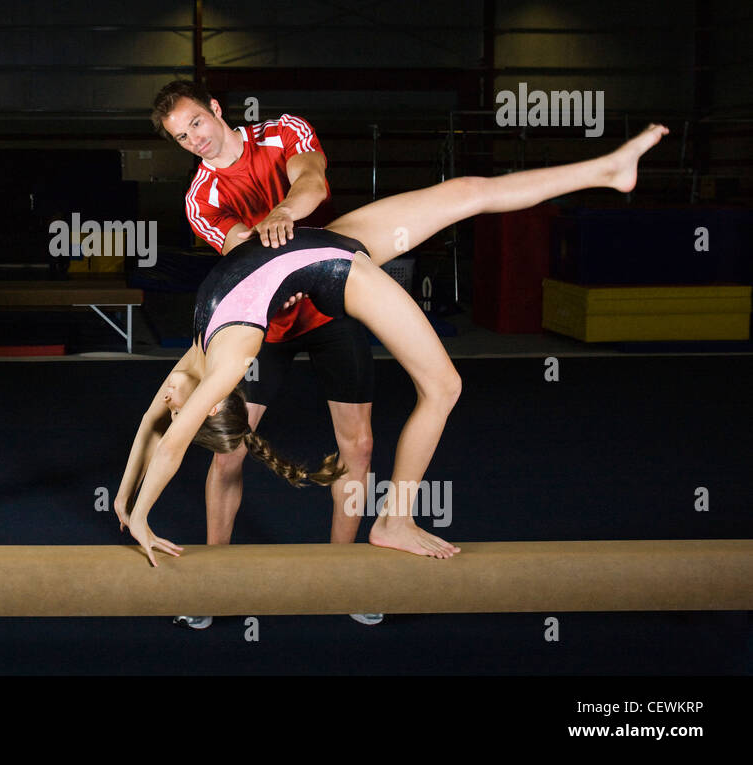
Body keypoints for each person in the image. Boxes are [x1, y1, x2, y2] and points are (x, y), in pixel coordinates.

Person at [116, 123, 670, 566]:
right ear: (216, 400)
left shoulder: (193, 365)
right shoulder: (227, 361)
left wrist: (125, 502)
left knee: (466, 193)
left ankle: (609, 167)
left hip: (319, 243)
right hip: (336, 268)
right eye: (185, 406)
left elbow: (152, 428)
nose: (172, 399)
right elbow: (171, 444)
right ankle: (394, 520)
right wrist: (142, 518)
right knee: (444, 385)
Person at [153, 80, 380, 627]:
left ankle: (344, 574)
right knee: (228, 453)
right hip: (262, 328)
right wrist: (277, 260)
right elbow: (242, 249)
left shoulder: (284, 131)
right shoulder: (199, 199)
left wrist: (283, 215)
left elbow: (312, 180)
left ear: (215, 109)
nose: (195, 141)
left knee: (360, 447)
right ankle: (214, 580)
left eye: (197, 124)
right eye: (181, 138)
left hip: (329, 309)